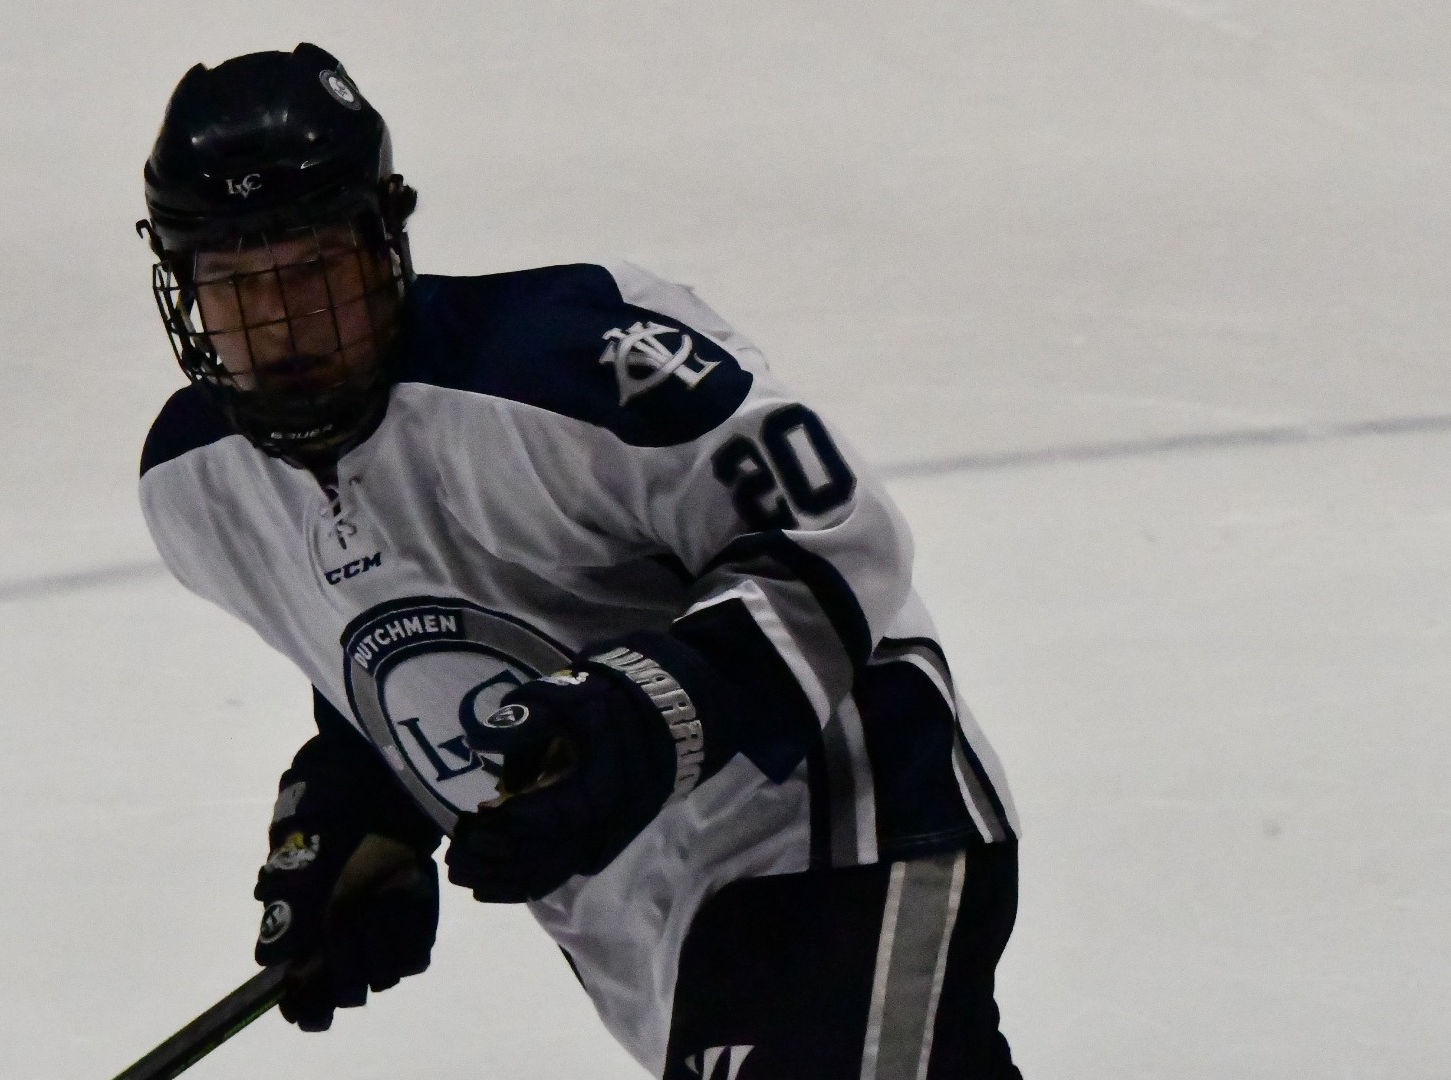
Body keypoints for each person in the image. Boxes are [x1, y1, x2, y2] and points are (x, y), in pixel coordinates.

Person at [135, 42, 1024, 1080]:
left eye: (313, 271)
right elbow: (397, 648)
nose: (284, 325)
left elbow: (840, 535)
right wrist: (361, 813)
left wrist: (650, 714)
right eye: (240, 286)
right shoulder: (195, 487)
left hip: (839, 823)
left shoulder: (572, 364)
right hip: (657, 932)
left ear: (385, 242)